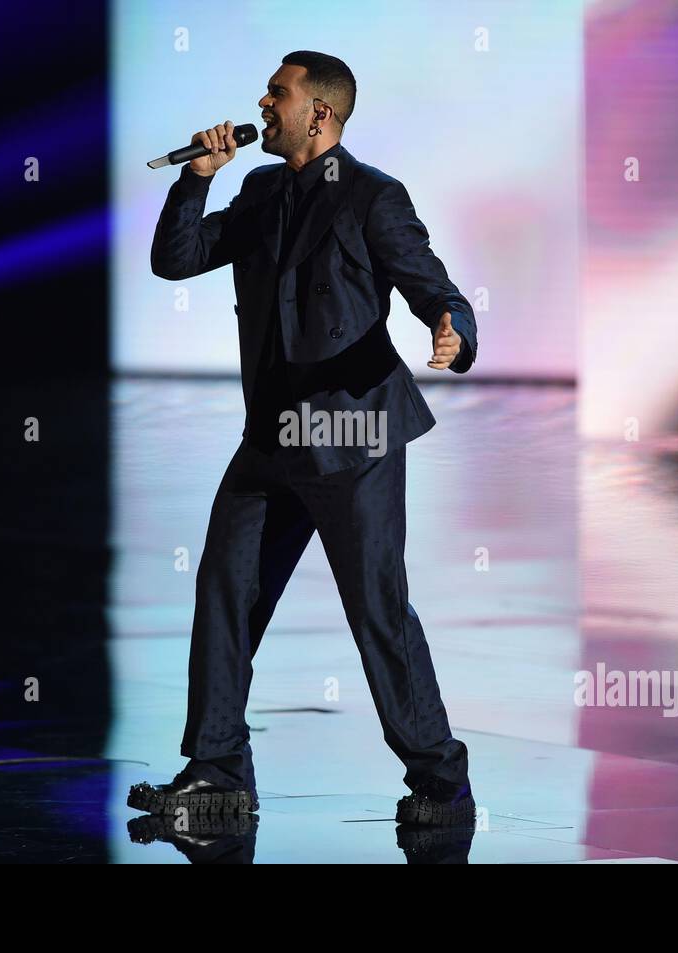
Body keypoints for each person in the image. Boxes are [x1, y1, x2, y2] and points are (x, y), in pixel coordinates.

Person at [128, 51, 477, 826]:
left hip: (354, 436)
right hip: (273, 436)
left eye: (276, 92)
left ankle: (441, 781)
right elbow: (174, 260)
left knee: (378, 612)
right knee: (225, 586)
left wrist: (454, 327)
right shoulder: (257, 190)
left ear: (318, 113)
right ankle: (218, 768)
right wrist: (197, 178)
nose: (262, 101)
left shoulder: (373, 197)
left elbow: (433, 286)